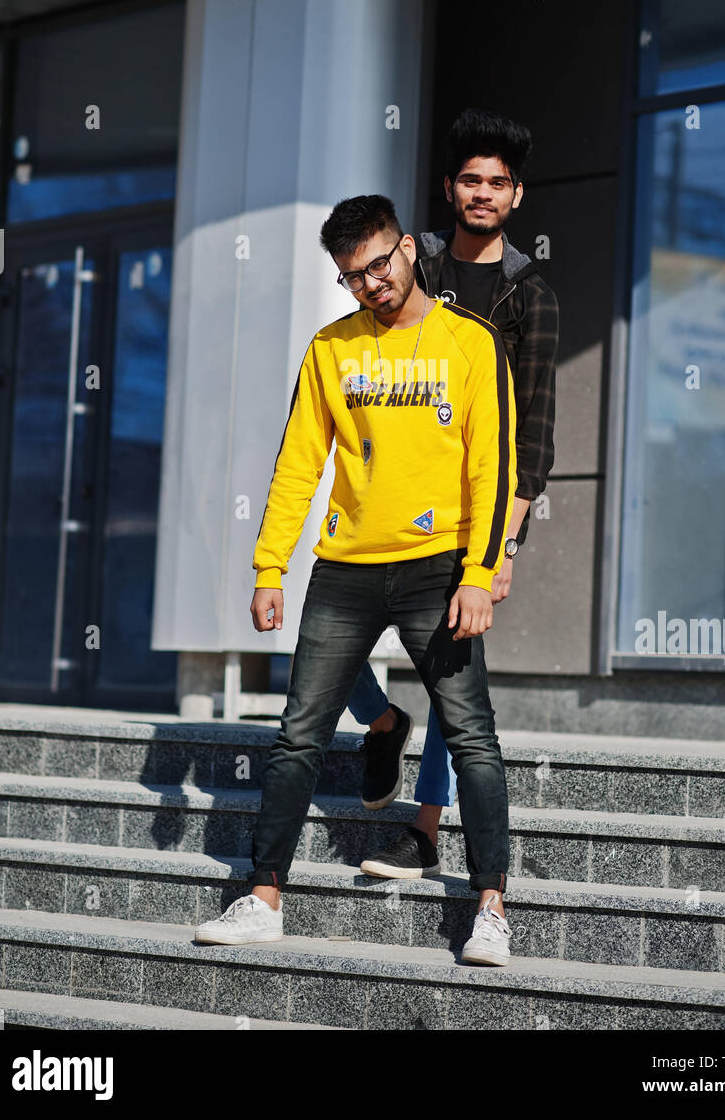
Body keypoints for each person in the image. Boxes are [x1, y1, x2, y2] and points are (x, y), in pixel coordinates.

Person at [195, 192, 517, 964]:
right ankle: (263, 896)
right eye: (353, 275)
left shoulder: (469, 344)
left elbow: (491, 468)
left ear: (407, 248)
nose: (371, 283)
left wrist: (480, 570)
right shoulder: (331, 349)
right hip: (343, 569)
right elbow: (297, 465)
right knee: (298, 733)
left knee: (470, 735)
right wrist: (269, 567)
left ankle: (490, 909)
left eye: (379, 264)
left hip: (437, 568)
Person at [350, 109, 559, 881]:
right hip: (380, 496)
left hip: (473, 514)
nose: (481, 192)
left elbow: (530, 438)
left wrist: (499, 549)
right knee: (313, 644)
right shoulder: (414, 262)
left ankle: (426, 829)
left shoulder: (529, 295)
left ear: (516, 196)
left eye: (496, 183)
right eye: (469, 180)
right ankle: (379, 720)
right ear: (449, 188)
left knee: (450, 663)